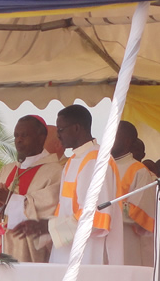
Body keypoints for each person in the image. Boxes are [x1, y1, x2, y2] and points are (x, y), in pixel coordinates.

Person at [0, 115, 63, 262]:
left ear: (41, 137)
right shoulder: (7, 170)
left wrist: (10, 200)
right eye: (16, 135)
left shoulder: (55, 171)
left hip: (26, 249)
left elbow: (49, 207)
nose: (19, 140)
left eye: (24, 135)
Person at [49, 104, 123, 265]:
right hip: (67, 247)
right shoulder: (75, 159)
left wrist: (52, 229)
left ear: (76, 128)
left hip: (89, 250)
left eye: (60, 130)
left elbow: (95, 214)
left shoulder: (96, 159)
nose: (57, 136)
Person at [112, 121, 156, 266]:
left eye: (114, 134)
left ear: (127, 141)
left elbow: (140, 213)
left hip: (127, 243)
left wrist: (106, 208)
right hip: (102, 239)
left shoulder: (139, 171)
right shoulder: (100, 166)